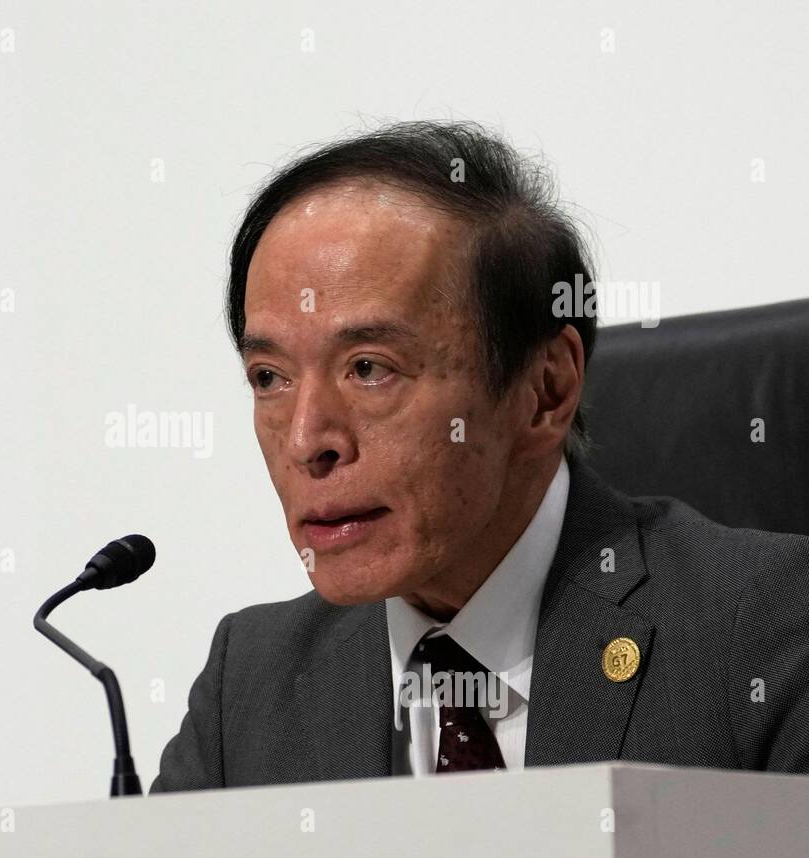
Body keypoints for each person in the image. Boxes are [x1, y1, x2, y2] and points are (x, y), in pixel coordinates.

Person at [151, 121, 809, 791]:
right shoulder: (250, 687)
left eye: (370, 368)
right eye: (270, 377)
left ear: (545, 390)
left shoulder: (765, 629)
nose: (306, 441)